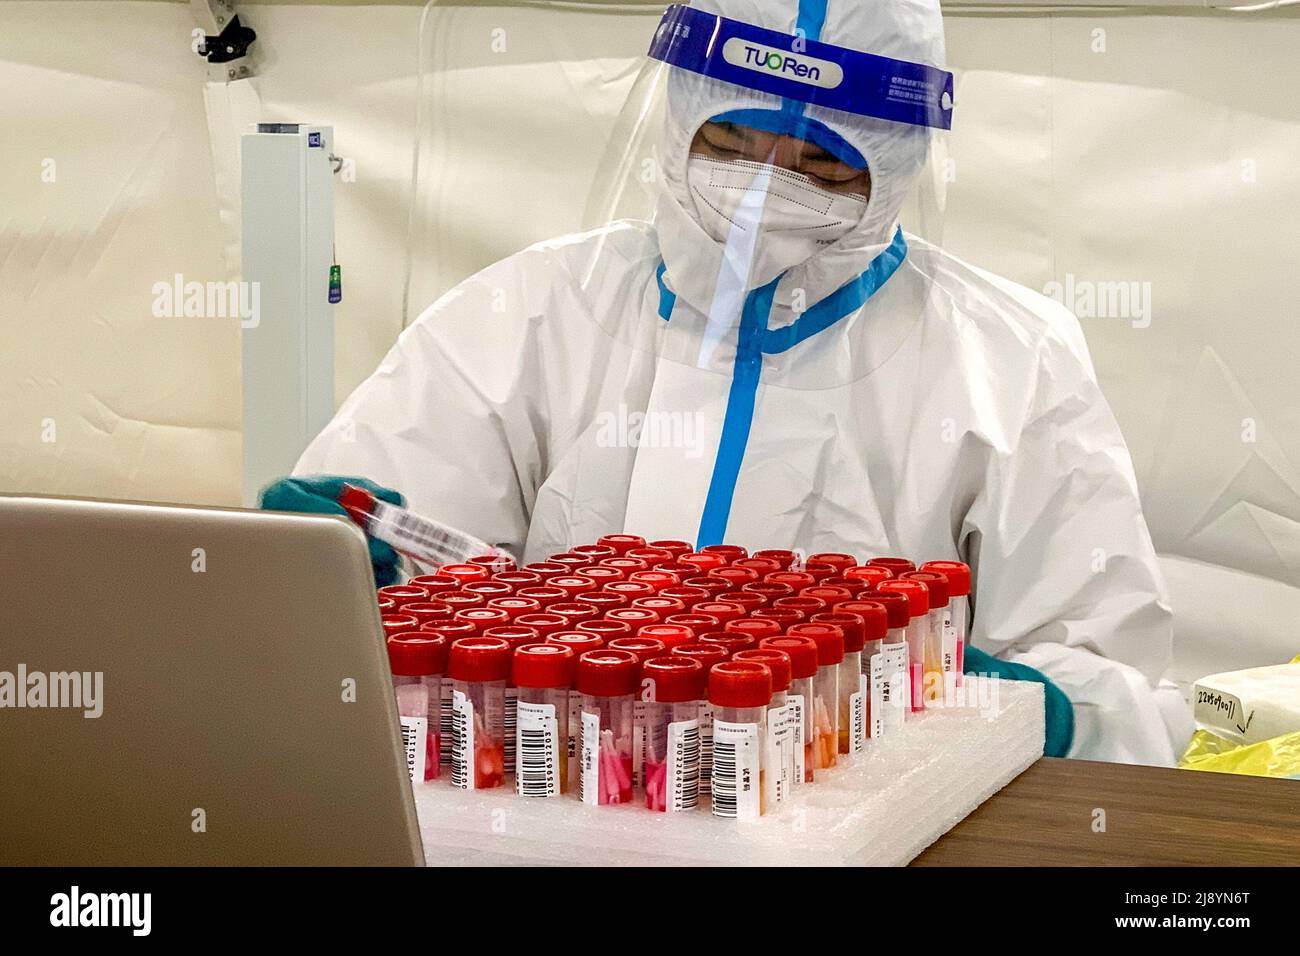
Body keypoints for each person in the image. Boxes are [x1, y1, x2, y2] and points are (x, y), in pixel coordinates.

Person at [261, 0, 1188, 765]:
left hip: (865, 824)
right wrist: (336, 566)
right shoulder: (532, 312)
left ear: (899, 158)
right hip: (550, 803)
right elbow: (413, 566)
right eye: (734, 140)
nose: (766, 188)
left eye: (822, 161)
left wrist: (1041, 707)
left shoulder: (1009, 359)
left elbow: (1120, 695)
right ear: (678, 114)